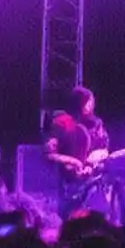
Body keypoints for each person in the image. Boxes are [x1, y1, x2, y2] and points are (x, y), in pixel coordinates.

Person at [44, 87, 112, 218]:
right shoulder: (63, 122)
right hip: (69, 184)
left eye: (92, 101)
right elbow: (49, 153)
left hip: (94, 181)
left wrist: (92, 163)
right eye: (88, 101)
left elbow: (104, 149)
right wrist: (73, 162)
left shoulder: (96, 124)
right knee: (71, 219)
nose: (91, 105)